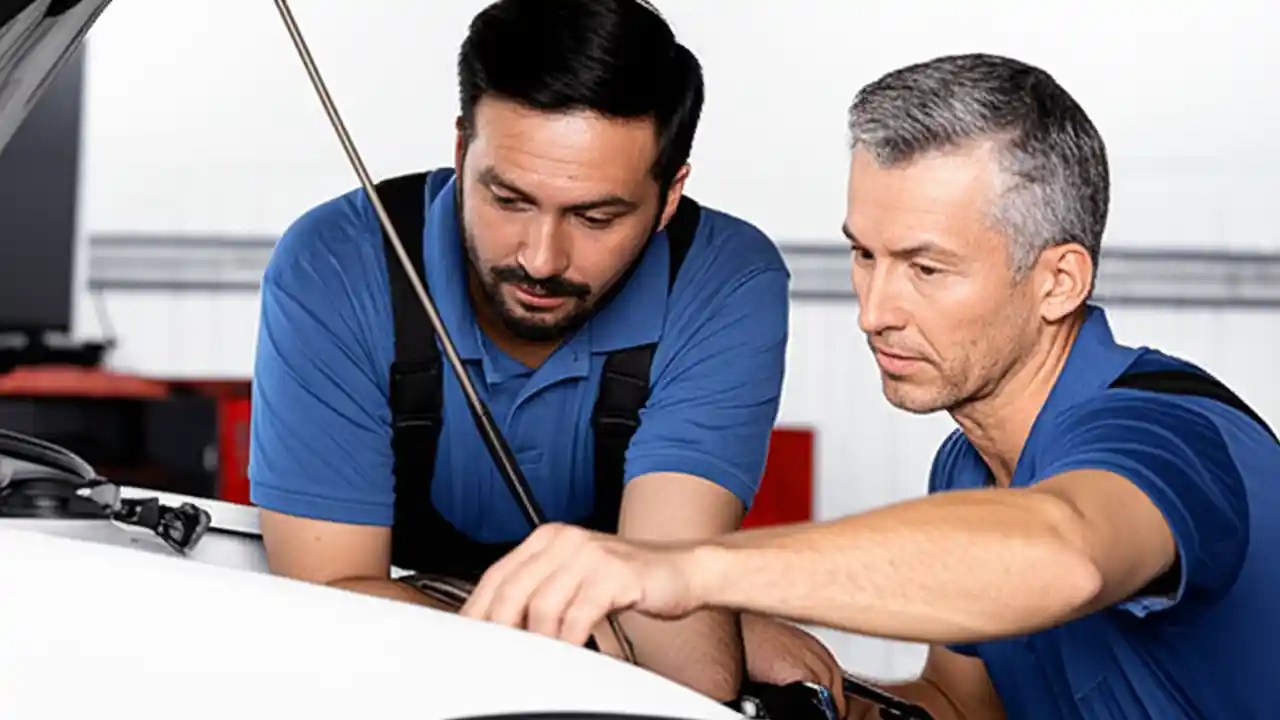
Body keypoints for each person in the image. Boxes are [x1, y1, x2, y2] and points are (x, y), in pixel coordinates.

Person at [458, 52, 1280, 719]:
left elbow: (1065, 555)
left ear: (1059, 281)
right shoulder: (967, 466)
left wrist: (679, 571)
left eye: (925, 268)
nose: (875, 312)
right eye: (864, 255)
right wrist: (832, 702)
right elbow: (961, 707)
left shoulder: (1166, 433)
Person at [246, 0, 849, 706]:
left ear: (668, 198)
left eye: (596, 217)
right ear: (461, 150)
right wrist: (629, 625)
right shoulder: (334, 265)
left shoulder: (722, 281)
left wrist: (426, 604)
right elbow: (333, 621)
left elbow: (687, 671)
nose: (540, 258)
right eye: (508, 200)